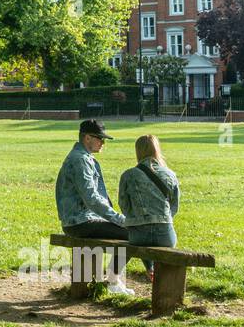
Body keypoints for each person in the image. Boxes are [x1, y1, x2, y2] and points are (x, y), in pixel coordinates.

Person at [55, 119, 133, 295]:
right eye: (100, 138)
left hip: (80, 220)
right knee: (131, 233)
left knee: (127, 231)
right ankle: (113, 281)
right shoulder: (80, 160)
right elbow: (92, 199)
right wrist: (120, 219)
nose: (103, 142)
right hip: (80, 222)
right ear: (87, 138)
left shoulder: (82, 157)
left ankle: (109, 280)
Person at [118, 134, 180, 284]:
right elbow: (174, 206)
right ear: (157, 149)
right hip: (165, 233)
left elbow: (123, 205)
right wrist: (163, 218)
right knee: (163, 243)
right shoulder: (170, 174)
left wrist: (136, 218)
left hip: (138, 236)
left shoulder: (128, 175)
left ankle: (150, 268)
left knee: (143, 237)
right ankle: (162, 281)